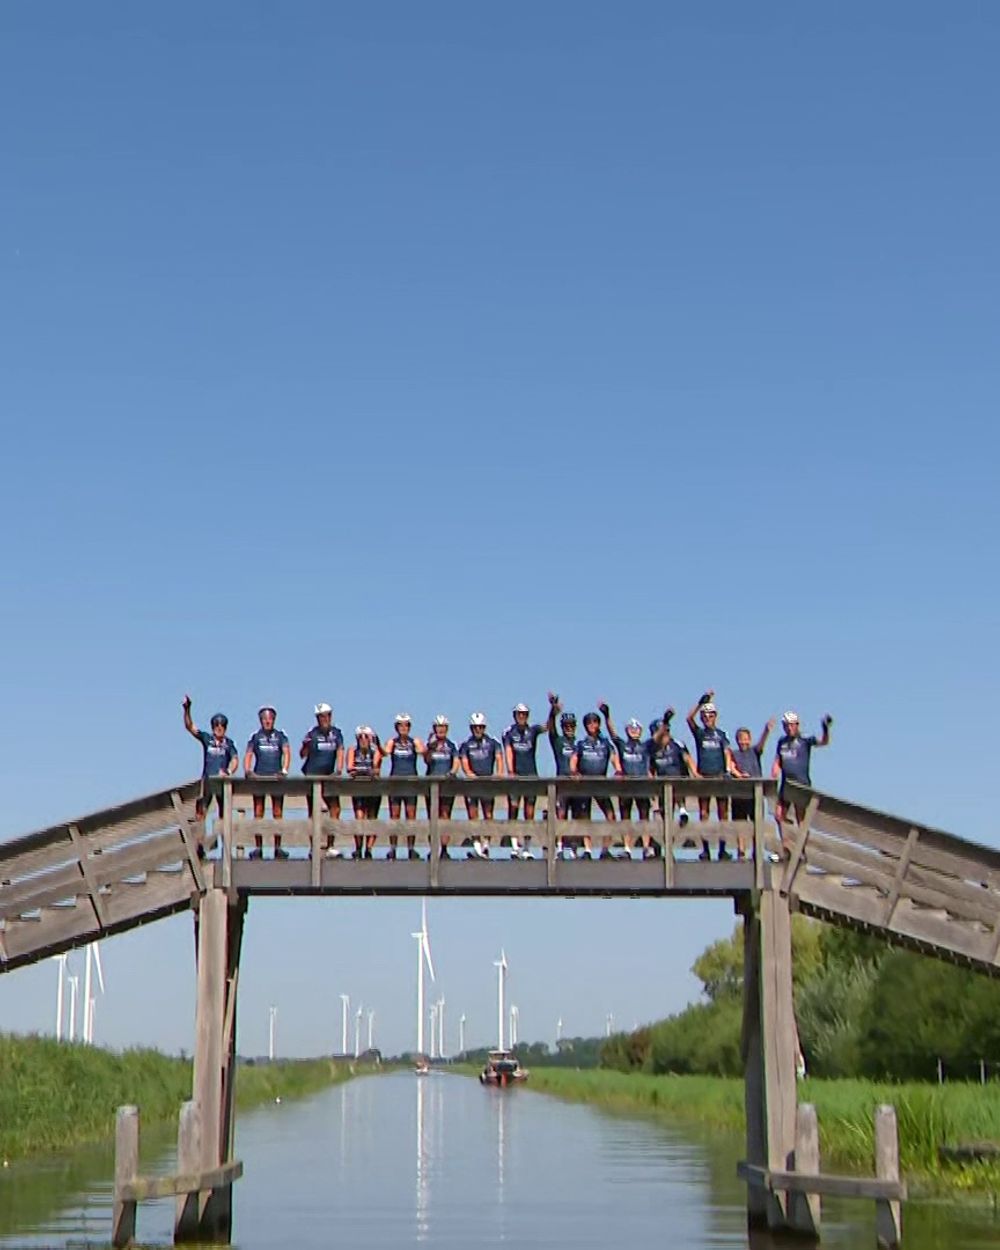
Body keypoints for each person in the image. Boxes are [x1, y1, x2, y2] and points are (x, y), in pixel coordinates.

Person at [686, 691, 734, 860]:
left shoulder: (721, 734)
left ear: (715, 716)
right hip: (704, 776)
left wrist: (728, 770)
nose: (708, 718)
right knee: (704, 813)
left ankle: (722, 849)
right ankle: (706, 849)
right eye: (705, 716)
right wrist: (701, 702)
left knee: (723, 814)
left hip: (720, 776)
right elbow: (688, 719)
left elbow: (727, 752)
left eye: (710, 715)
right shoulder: (700, 734)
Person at [772, 711, 833, 843]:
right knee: (778, 815)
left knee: (801, 818)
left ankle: (801, 848)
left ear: (797, 725)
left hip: (801, 784)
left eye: (792, 725)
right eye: (786, 726)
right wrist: (775, 772)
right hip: (786, 784)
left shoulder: (804, 739)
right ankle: (786, 846)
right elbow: (778, 759)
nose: (789, 728)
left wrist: (825, 729)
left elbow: (823, 742)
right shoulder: (782, 742)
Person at [503, 700, 553, 857]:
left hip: (531, 774)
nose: (522, 717)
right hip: (516, 775)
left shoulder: (533, 730)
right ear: (515, 715)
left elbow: (547, 727)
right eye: (519, 714)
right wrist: (510, 771)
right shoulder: (509, 732)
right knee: (513, 808)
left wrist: (553, 710)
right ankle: (514, 845)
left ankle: (526, 847)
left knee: (529, 811)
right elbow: (508, 750)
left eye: (524, 714)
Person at [569, 712, 622, 859]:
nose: (592, 725)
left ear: (598, 724)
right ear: (586, 726)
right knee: (585, 817)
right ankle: (587, 850)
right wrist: (574, 771)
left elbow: (614, 758)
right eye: (589, 723)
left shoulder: (605, 743)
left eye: (595, 722)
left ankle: (605, 849)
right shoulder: (581, 743)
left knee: (611, 816)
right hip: (585, 784)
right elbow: (573, 759)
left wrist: (618, 770)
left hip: (601, 784)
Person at [182, 696, 238, 830]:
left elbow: (235, 759)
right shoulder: (207, 738)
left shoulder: (229, 743)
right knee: (201, 812)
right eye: (216, 725)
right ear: (212, 727)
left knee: (224, 815)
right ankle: (199, 844)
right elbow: (190, 727)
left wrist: (229, 771)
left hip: (221, 782)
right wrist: (187, 710)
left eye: (222, 725)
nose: (219, 728)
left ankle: (225, 842)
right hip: (207, 781)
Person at [244, 705, 291, 859]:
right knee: (258, 812)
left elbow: (286, 751)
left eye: (270, 718)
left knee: (277, 812)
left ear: (274, 720)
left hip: (276, 777)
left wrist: (284, 769)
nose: (267, 721)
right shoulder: (256, 736)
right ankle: (258, 848)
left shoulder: (280, 736)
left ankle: (278, 848)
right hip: (259, 776)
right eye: (264, 719)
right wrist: (247, 770)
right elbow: (249, 753)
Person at [648, 713, 698, 855]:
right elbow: (650, 768)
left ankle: (683, 811)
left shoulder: (677, 744)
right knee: (662, 816)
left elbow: (687, 759)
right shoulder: (653, 749)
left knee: (677, 791)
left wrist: (696, 774)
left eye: (667, 731)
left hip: (678, 780)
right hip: (661, 784)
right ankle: (661, 847)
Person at [300, 702, 345, 859]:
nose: (325, 719)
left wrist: (339, 769)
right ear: (317, 718)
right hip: (312, 775)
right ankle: (314, 847)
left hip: (329, 775)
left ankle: (331, 845)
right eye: (321, 717)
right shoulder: (312, 734)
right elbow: (302, 754)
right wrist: (305, 746)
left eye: (327, 716)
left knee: (335, 808)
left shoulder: (336, 733)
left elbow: (340, 750)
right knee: (313, 811)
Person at [600, 703, 652, 837]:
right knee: (625, 817)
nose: (634, 730)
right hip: (626, 787)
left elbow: (659, 736)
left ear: (641, 730)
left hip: (642, 786)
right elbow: (613, 734)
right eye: (631, 728)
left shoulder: (646, 746)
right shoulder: (623, 745)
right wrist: (607, 715)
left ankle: (646, 848)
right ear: (627, 730)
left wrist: (666, 720)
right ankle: (626, 848)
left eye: (637, 728)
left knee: (644, 817)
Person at [459, 712, 504, 858]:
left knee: (488, 814)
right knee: (473, 815)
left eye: (480, 727)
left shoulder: (492, 742)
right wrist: (469, 773)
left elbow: (499, 757)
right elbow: (464, 762)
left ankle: (486, 845)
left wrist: (499, 773)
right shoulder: (466, 745)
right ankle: (477, 846)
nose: (478, 730)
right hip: (472, 784)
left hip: (487, 783)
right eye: (475, 727)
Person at [729, 719, 776, 858]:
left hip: (755, 795)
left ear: (750, 740)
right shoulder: (734, 754)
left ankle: (757, 851)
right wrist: (738, 775)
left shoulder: (754, 752)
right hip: (739, 794)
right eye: (741, 739)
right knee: (740, 824)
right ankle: (741, 850)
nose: (744, 742)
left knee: (757, 823)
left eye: (746, 739)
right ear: (737, 741)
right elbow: (730, 767)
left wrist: (766, 731)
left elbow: (762, 744)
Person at [383, 714, 424, 860]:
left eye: (406, 725)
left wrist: (423, 746)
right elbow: (385, 753)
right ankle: (393, 848)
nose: (403, 728)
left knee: (411, 816)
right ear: (396, 727)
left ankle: (411, 848)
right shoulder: (392, 742)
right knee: (394, 816)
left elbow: (422, 752)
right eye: (400, 725)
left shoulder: (414, 742)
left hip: (411, 782)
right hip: (395, 782)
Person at [423, 715, 459, 858]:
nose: (441, 729)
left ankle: (444, 849)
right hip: (432, 785)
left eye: (443, 726)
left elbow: (456, 761)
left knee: (445, 816)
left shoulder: (451, 745)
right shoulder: (431, 745)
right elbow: (426, 760)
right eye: (438, 726)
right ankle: (433, 848)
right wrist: (430, 747)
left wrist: (452, 772)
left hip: (446, 785)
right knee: (432, 817)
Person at [346, 726, 382, 859]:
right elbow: (349, 767)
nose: (363, 740)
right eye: (360, 737)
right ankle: (358, 847)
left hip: (373, 789)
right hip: (358, 788)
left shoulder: (375, 751)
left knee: (372, 819)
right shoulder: (353, 750)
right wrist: (364, 771)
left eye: (366, 736)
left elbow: (376, 769)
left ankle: (369, 848)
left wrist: (362, 771)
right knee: (359, 818)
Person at [547, 701, 578, 835]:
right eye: (566, 726)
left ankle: (574, 848)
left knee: (577, 816)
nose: (569, 728)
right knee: (561, 814)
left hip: (576, 785)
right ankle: (559, 846)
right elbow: (551, 728)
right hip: (561, 782)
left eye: (571, 725)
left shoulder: (580, 743)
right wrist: (552, 711)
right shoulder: (558, 741)